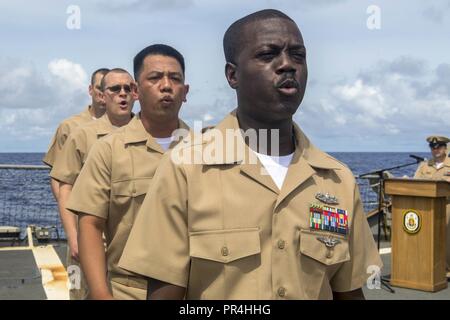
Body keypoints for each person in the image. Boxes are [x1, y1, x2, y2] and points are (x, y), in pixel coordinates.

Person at [118, 9, 382, 300]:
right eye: (268, 55)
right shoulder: (186, 169)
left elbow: (349, 291)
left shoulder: (336, 180)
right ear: (233, 75)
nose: (287, 65)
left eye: (298, 55)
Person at [66, 44, 190, 300]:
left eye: (175, 79)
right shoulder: (108, 150)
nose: (166, 86)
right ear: (136, 90)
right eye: (155, 78)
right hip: (129, 290)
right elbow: (90, 223)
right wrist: (101, 293)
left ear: (185, 92)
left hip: (192, 289)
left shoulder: (202, 151)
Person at [51, 68, 136, 299]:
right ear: (102, 95)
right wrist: (73, 235)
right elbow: (63, 184)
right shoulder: (81, 135)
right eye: (115, 89)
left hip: (132, 242)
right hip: (91, 237)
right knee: (82, 292)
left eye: (128, 89)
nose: (123, 94)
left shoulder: (147, 134)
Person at [43, 68, 109, 201]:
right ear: (90, 90)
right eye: (99, 88)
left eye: (109, 88)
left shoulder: (127, 125)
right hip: (82, 207)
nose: (103, 93)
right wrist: (68, 214)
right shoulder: (69, 126)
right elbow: (57, 177)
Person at [414, 135, 450, 274]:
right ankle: (427, 267)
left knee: (446, 238)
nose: (436, 150)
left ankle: (446, 268)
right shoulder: (424, 166)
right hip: (427, 207)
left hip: (446, 205)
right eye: (432, 147)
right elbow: (415, 184)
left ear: (445, 148)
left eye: (439, 147)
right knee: (425, 237)